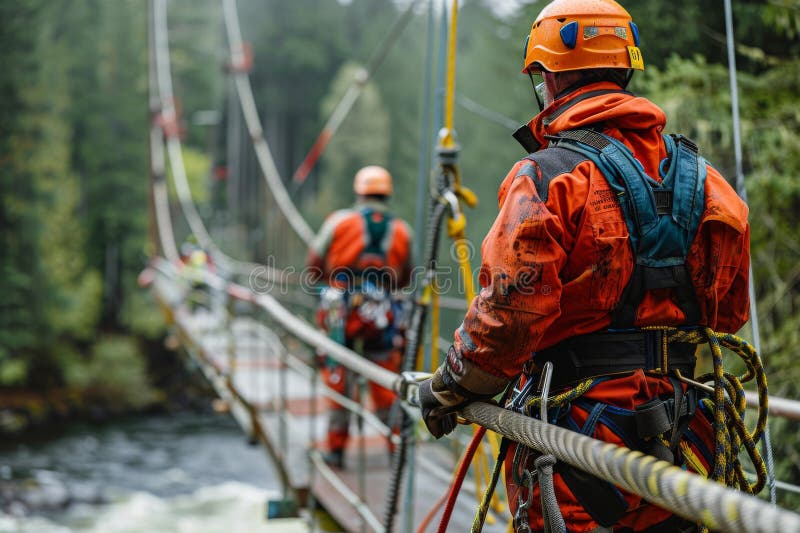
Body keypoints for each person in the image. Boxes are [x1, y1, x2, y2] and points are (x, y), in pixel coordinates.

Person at [417, 0, 750, 531]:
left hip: (578, 443)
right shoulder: (708, 182)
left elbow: (508, 318)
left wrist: (451, 386)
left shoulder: (548, 179)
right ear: (624, 71)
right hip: (687, 438)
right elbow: (729, 314)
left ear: (549, 79)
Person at [307, 165, 413, 469]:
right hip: (380, 317)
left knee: (338, 378)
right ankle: (396, 447)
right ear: (386, 194)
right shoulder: (402, 231)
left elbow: (314, 264)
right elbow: (405, 278)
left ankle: (336, 449)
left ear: (359, 191)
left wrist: (330, 282)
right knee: (384, 380)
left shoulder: (338, 222)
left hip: (340, 314)